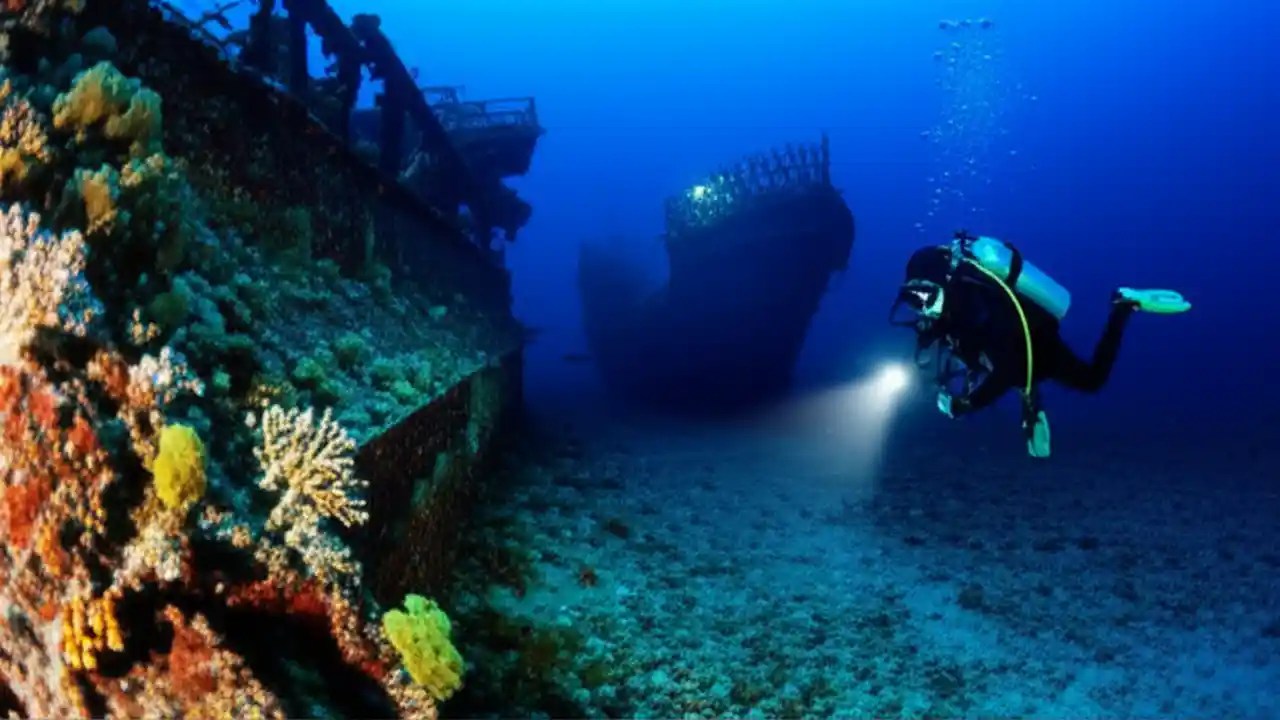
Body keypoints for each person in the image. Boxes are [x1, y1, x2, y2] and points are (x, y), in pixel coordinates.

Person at [889, 231, 1191, 458]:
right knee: (1012, 373)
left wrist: (965, 404)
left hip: (1036, 344)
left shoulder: (981, 303)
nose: (922, 307)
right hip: (1005, 357)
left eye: (926, 295)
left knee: (1091, 380)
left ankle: (1123, 304)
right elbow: (948, 349)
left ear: (942, 282)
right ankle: (1030, 398)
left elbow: (1007, 369)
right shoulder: (946, 310)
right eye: (912, 299)